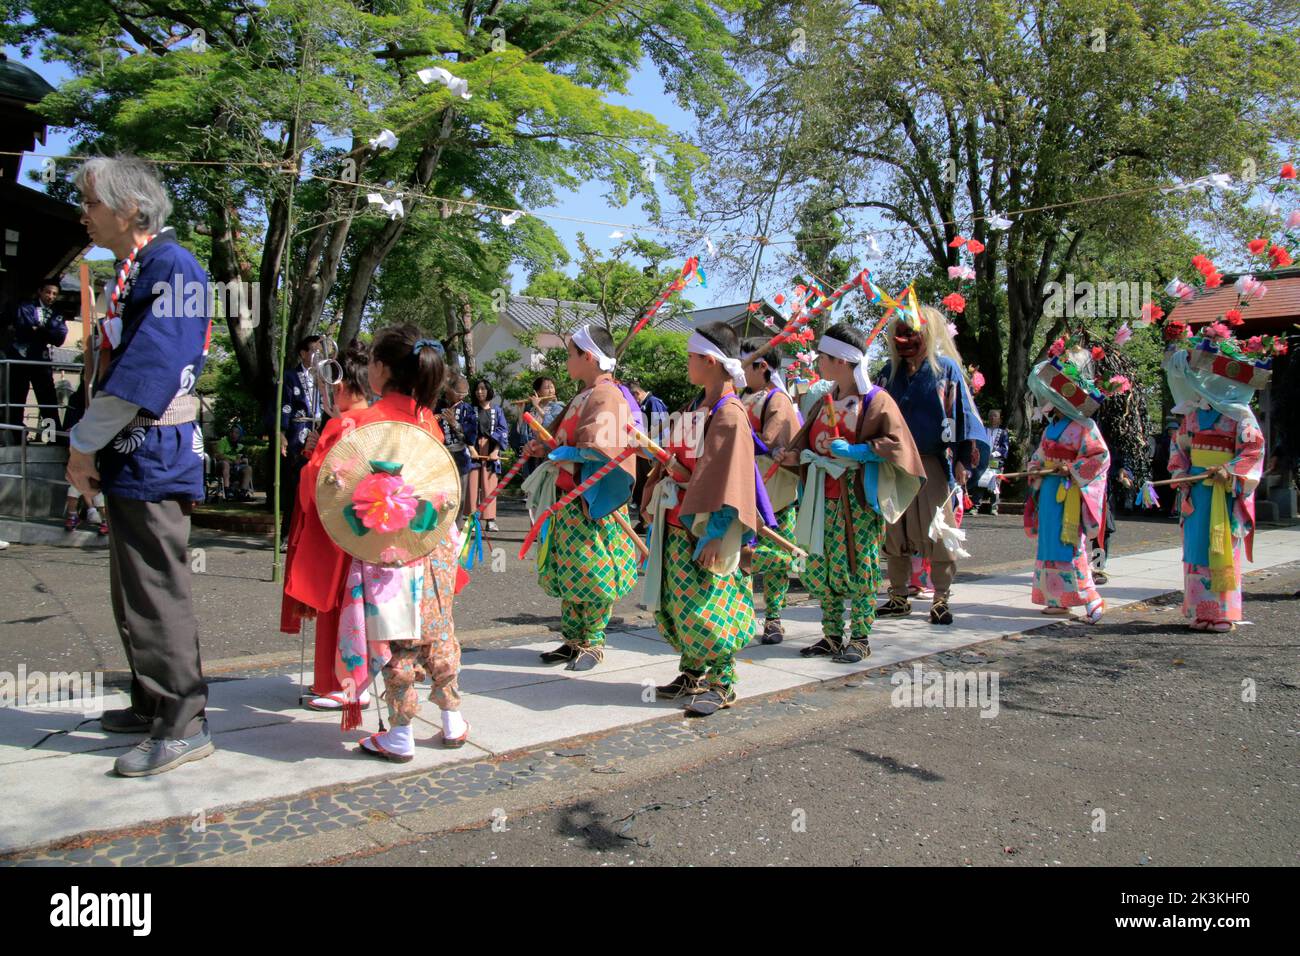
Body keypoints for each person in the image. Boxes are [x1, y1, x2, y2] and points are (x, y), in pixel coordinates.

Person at [66, 155, 213, 776]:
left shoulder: (172, 266)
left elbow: (144, 373)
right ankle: (152, 700)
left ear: (130, 209)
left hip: (152, 449)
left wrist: (81, 444)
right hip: (133, 452)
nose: (84, 215)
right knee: (133, 586)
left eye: (91, 203)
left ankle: (183, 720)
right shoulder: (141, 268)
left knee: (155, 588)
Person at [283, 328, 470, 756]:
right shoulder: (428, 421)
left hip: (387, 549)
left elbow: (323, 491)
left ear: (382, 369)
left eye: (371, 362)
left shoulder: (358, 423)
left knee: (398, 636)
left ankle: (400, 735)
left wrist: (312, 461)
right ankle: (453, 720)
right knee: (438, 630)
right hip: (433, 540)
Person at [641, 323, 768, 716]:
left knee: (710, 604)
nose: (687, 363)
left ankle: (723, 681)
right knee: (681, 604)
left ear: (710, 361)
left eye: (691, 357)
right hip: (678, 521)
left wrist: (715, 533)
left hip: (706, 527)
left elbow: (731, 479)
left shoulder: (729, 414)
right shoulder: (698, 406)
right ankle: (693, 673)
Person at [784, 323, 924, 661]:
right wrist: (793, 455)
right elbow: (806, 440)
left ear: (842, 361)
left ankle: (860, 637)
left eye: (824, 356)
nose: (819, 361)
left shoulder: (876, 400)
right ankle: (832, 635)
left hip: (857, 496)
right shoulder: (825, 400)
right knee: (821, 565)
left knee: (860, 564)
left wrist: (858, 451)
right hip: (822, 494)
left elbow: (897, 443)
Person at [520, 325, 638, 672]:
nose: (567, 361)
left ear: (587, 356)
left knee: (593, 570)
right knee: (571, 571)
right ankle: (573, 639)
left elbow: (603, 451)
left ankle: (594, 641)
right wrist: (545, 447)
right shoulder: (584, 395)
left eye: (570, 354)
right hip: (567, 497)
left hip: (590, 499)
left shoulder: (608, 395)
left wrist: (563, 453)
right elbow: (564, 441)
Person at [875, 304, 988, 625]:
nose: (906, 340)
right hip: (894, 465)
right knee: (894, 531)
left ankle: (940, 598)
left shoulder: (946, 370)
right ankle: (898, 596)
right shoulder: (888, 372)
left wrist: (964, 459)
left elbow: (963, 414)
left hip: (930, 463)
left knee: (940, 530)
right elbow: (873, 412)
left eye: (913, 333)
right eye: (901, 333)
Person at [280, 342, 374, 711]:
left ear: (345, 385)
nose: (331, 393)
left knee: (335, 606)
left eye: (333, 387)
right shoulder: (378, 420)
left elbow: (320, 481)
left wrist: (309, 462)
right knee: (362, 610)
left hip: (336, 528)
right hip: (369, 528)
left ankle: (335, 681)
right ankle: (356, 681)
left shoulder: (341, 424)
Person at [1164, 335, 1270, 632]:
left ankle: (1222, 613)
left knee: (1221, 547)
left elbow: (1253, 451)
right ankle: (1199, 611)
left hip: (1224, 492)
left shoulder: (1241, 417)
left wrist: (1230, 471)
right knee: (1196, 548)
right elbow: (1179, 448)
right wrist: (1181, 473)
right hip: (1198, 491)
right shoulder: (1194, 415)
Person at [1024, 350, 1110, 624]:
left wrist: (1072, 468)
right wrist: (1035, 468)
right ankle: (1057, 597)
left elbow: (1100, 456)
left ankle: (1090, 597)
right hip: (1050, 490)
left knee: (1070, 543)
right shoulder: (1052, 428)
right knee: (1049, 542)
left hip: (1070, 491)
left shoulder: (1085, 426)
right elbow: (1039, 455)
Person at [739, 339, 802, 644]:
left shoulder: (778, 399)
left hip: (774, 488)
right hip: (744, 483)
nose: (739, 369)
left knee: (777, 552)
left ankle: (774, 617)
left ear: (762, 366)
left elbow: (768, 440)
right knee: (741, 551)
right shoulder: (739, 395)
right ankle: (742, 614)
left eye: (744, 364)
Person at [2, 279, 68, 444]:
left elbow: (59, 338)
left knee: (48, 402)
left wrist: (39, 330)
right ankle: (17, 438)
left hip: (41, 362)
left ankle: (53, 438)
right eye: (48, 292)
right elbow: (25, 327)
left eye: (54, 294)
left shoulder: (57, 313)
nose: (51, 296)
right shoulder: (26, 306)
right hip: (20, 359)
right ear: (40, 291)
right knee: (17, 400)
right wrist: (46, 332)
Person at [279, 335, 323, 548]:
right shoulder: (290, 377)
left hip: (320, 430)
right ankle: (287, 534)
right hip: (298, 432)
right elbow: (284, 405)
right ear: (303, 353)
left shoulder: (325, 375)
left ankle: (312, 536)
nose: (317, 355)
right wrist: (281, 432)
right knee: (295, 484)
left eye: (320, 352)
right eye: (313, 350)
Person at [462, 378, 509, 533]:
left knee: (489, 485)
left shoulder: (497, 410)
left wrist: (496, 451)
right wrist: (471, 449)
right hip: (474, 449)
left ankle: (490, 520)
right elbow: (465, 430)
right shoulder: (470, 409)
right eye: (477, 389)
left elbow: (503, 430)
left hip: (491, 449)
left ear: (489, 391)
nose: (479, 392)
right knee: (472, 485)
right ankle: (471, 520)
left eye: (483, 389)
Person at [625, 379, 668, 533]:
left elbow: (661, 431)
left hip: (654, 453)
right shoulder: (645, 405)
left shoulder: (653, 403)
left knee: (651, 487)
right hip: (644, 451)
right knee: (643, 487)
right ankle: (644, 522)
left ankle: (649, 524)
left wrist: (654, 454)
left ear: (636, 394)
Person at [514, 376, 565, 481]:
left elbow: (553, 426)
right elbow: (522, 432)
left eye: (552, 387)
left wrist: (538, 407)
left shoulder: (558, 407)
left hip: (548, 452)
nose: (551, 390)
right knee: (532, 483)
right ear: (538, 392)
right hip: (533, 452)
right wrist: (520, 411)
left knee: (547, 483)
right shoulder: (531, 410)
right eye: (547, 388)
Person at [974, 408, 1009, 514]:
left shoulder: (1003, 433)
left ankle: (994, 507)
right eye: (990, 416)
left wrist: (994, 454)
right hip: (982, 461)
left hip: (996, 462)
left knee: (995, 484)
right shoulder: (983, 430)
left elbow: (1004, 448)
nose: (992, 418)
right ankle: (975, 506)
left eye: (995, 416)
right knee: (979, 482)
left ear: (999, 419)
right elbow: (978, 444)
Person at [213, 424, 255, 501]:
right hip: (223, 466)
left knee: (248, 468)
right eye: (232, 432)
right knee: (225, 464)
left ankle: (243, 493)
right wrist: (231, 461)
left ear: (239, 435)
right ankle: (227, 491)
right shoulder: (223, 442)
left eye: (236, 433)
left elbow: (244, 459)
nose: (233, 434)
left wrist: (242, 460)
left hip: (237, 466)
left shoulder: (241, 446)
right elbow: (218, 456)